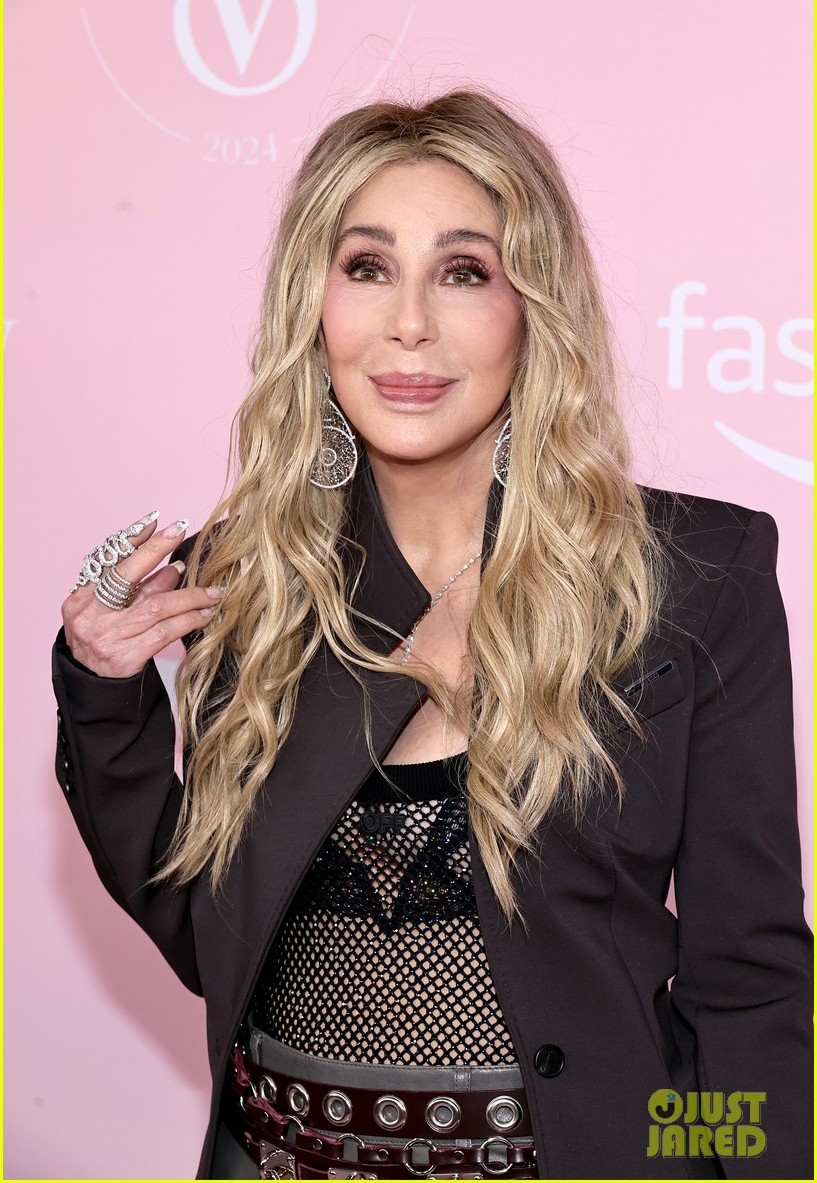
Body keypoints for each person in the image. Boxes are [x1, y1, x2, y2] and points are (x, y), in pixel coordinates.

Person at [54, 90, 812, 1180]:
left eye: (463, 272)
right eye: (366, 267)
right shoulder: (254, 577)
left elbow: (747, 981)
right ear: (314, 305)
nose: (408, 323)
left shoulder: (693, 582)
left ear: (531, 306)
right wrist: (107, 694)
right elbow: (206, 935)